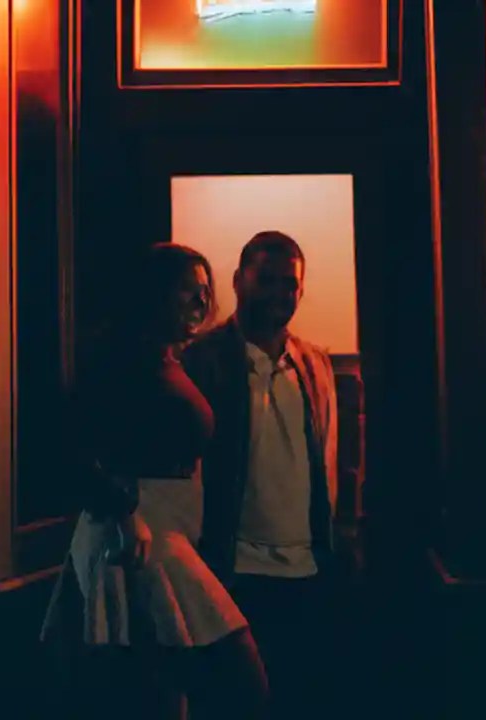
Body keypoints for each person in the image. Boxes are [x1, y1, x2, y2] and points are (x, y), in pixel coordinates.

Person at [41, 243, 268, 720]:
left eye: (206, 292)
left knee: (161, 689)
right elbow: (70, 445)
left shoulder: (170, 359)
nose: (201, 303)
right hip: (138, 534)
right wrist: (124, 513)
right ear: (154, 295)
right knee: (233, 679)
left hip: (166, 532)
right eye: (188, 290)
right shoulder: (120, 359)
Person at [183, 231, 341, 719]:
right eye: (266, 280)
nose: (278, 293)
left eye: (289, 284)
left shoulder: (314, 363)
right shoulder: (201, 359)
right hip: (233, 568)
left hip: (308, 569)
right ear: (238, 281)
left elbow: (332, 460)